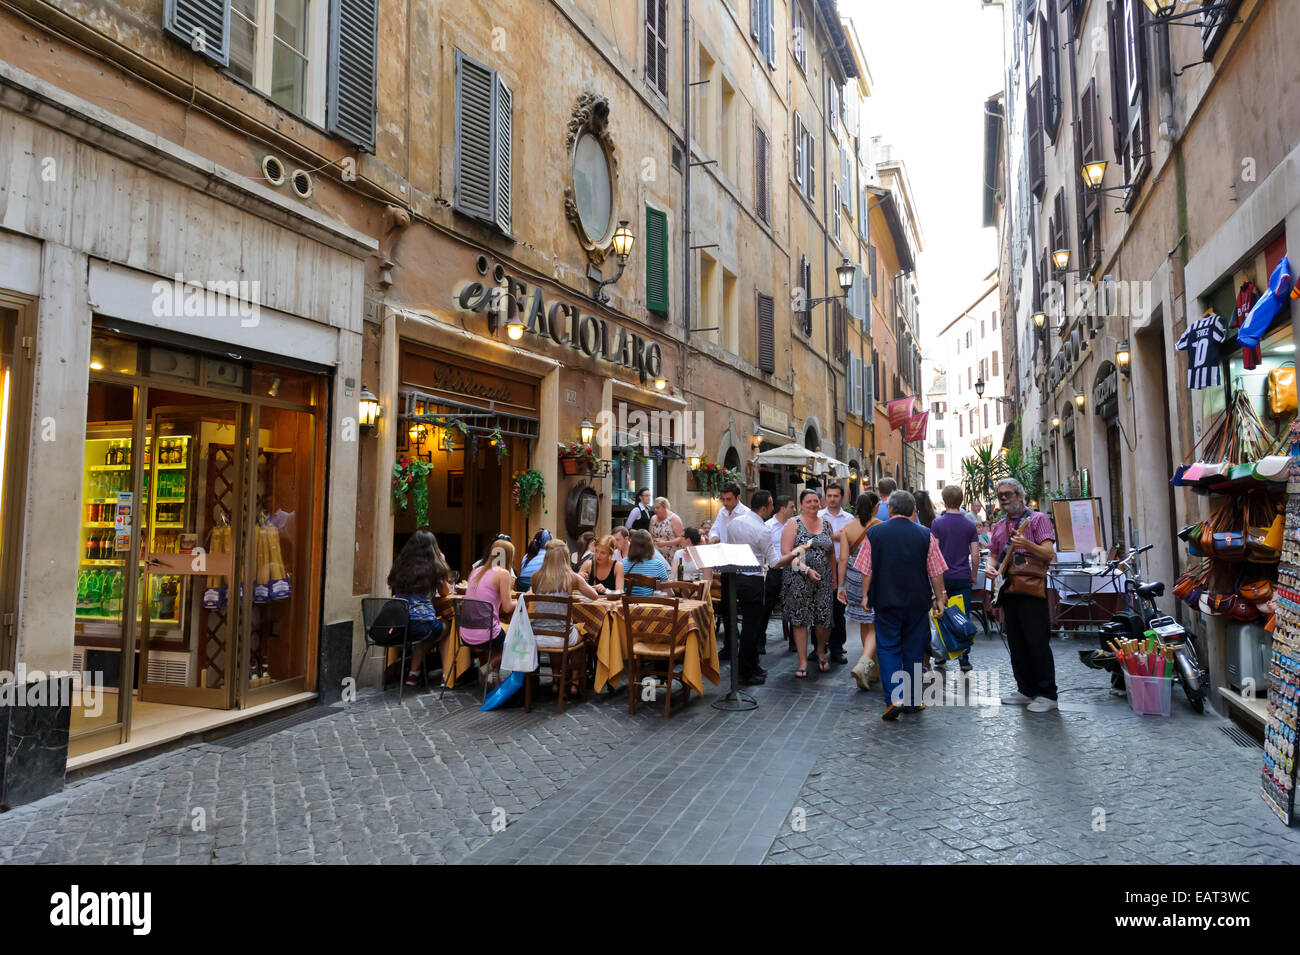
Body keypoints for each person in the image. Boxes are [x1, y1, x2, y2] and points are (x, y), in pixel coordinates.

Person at [854, 490, 948, 720]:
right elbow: (935, 572)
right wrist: (940, 597)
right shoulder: (926, 534)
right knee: (914, 648)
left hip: (886, 599)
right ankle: (914, 700)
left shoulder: (874, 533)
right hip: (917, 600)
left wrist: (865, 595)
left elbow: (867, 569)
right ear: (913, 510)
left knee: (888, 648)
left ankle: (895, 698)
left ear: (892, 509)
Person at [985, 477, 1059, 712]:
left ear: (1020, 495)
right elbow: (994, 555)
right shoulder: (998, 526)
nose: (1004, 499)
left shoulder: (1038, 520)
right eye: (1000, 495)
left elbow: (1048, 554)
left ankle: (1047, 694)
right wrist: (990, 565)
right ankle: (1025, 690)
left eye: (1008, 494)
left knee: (1036, 641)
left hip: (1031, 588)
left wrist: (1027, 544)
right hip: (1009, 588)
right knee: (1016, 642)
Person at [774, 489, 835, 678]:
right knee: (800, 620)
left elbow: (831, 553)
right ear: (801, 504)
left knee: (824, 619)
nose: (813, 504)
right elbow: (786, 554)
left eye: (816, 501)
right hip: (798, 579)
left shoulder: (826, 523)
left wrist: (834, 578)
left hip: (823, 579)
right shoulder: (794, 523)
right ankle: (802, 661)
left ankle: (820, 652)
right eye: (808, 501)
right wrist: (806, 569)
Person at [388, 530, 453, 687]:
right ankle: (446, 675)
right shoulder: (433, 567)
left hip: (399, 626)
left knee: (423, 632)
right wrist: (442, 563)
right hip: (421, 626)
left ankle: (413, 674)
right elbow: (445, 591)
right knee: (447, 627)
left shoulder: (400, 565)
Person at [723, 489, 775, 686]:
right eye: (770, 506)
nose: (772, 509)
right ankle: (745, 671)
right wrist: (796, 553)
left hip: (737, 577)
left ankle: (752, 665)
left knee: (748, 627)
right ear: (763, 508)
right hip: (753, 579)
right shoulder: (763, 530)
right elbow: (774, 561)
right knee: (751, 628)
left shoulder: (735, 523)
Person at [931, 485, 981, 673]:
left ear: (944, 501)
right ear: (962, 501)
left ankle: (941, 656)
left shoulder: (937, 524)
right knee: (963, 616)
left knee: (940, 614)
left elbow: (933, 553)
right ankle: (964, 659)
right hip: (962, 576)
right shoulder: (969, 525)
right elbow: (975, 556)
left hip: (941, 577)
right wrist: (974, 574)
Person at [837, 491, 881, 690]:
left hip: (853, 577)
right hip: (872, 577)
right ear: (874, 508)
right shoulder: (880, 526)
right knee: (874, 622)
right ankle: (866, 664)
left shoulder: (847, 528)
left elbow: (843, 559)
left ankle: (872, 670)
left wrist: (841, 585)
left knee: (865, 622)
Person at [461, 537, 518, 685]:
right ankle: (486, 669)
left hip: (465, 633)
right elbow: (507, 607)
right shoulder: (503, 574)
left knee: (499, 632)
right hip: (486, 634)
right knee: (516, 639)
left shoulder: (476, 571)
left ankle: (493, 678)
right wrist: (520, 600)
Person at [819, 483, 852, 665]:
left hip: (841, 567)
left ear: (842, 497)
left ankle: (837, 648)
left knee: (839, 610)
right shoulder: (817, 517)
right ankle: (819, 646)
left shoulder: (849, 519)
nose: (832, 499)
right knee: (819, 608)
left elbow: (853, 542)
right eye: (829, 495)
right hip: (821, 567)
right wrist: (835, 536)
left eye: (836, 496)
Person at [764, 494, 796, 652]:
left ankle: (794, 641)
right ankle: (760, 641)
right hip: (774, 570)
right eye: (792, 506)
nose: (794, 509)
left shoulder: (795, 524)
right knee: (767, 605)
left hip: (791, 569)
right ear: (782, 508)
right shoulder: (769, 526)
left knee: (792, 604)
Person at [622, 529, 670, 595]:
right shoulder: (657, 565)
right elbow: (668, 592)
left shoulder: (622, 563)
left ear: (632, 546)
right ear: (650, 546)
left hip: (628, 604)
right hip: (649, 604)